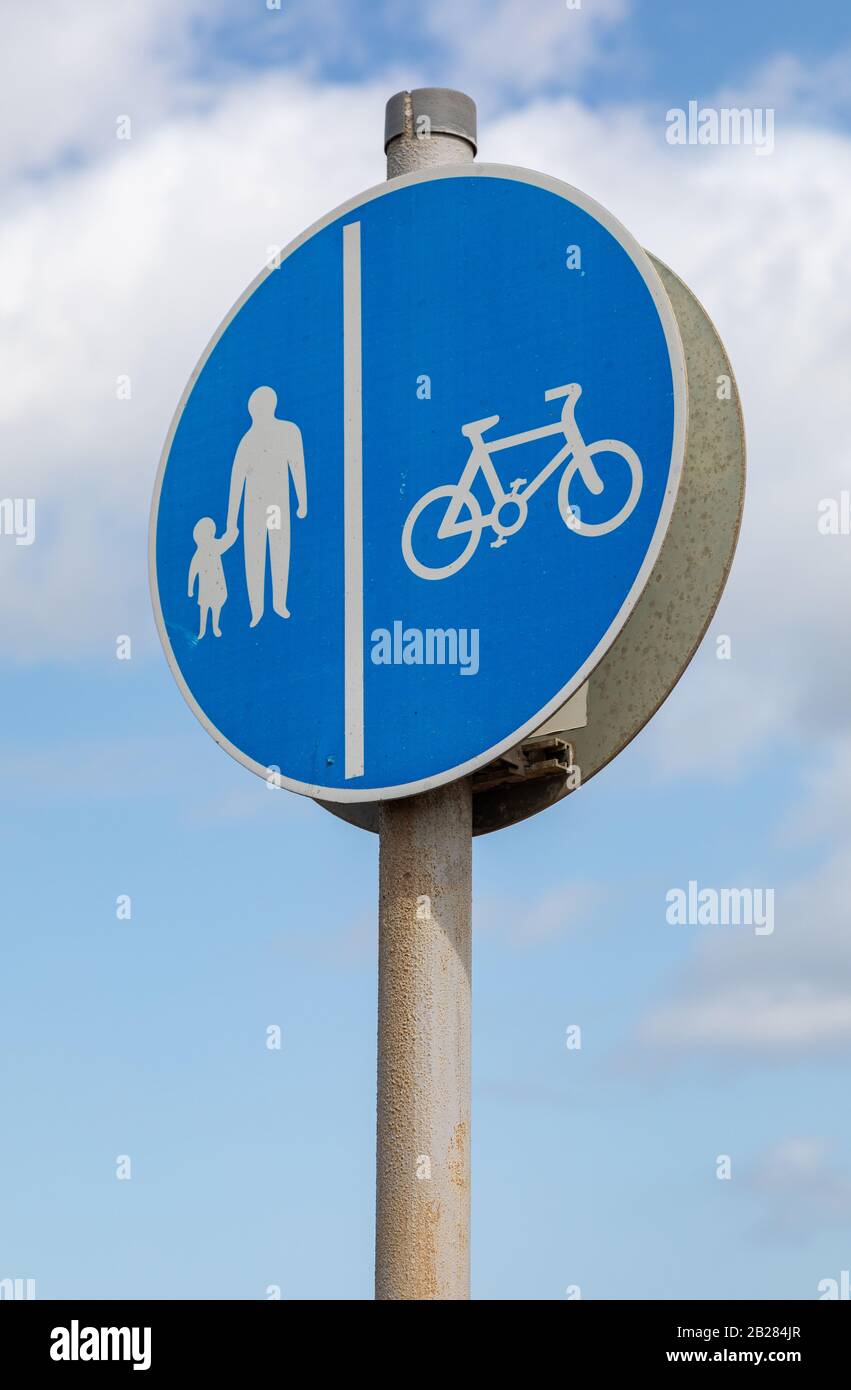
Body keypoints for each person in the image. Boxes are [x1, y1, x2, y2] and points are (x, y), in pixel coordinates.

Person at [223, 385, 307, 625]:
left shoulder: (288, 432)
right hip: (254, 508)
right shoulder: (247, 441)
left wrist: (303, 502)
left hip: (277, 505)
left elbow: (297, 467)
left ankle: (279, 604)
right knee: (255, 556)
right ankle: (256, 611)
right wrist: (231, 522)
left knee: (278, 550)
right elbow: (236, 483)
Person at [187, 517, 228, 639]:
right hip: (205, 589)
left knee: (216, 608)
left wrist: (232, 535)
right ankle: (202, 630)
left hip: (217, 586)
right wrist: (190, 589)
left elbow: (225, 543)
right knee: (204, 609)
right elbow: (192, 572)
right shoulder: (199, 553)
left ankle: (215, 627)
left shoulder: (215, 546)